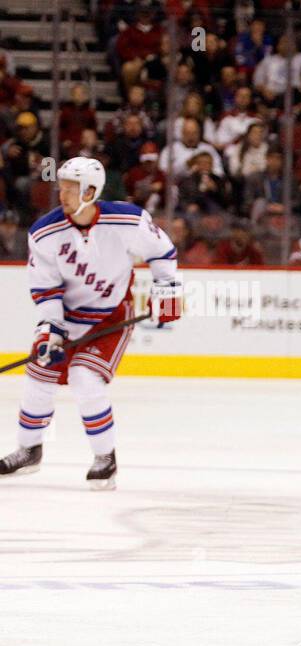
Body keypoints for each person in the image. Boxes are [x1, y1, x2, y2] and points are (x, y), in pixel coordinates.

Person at [0, 158, 182, 489]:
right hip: (66, 318)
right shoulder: (44, 234)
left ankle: (105, 458)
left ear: (91, 191)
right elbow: (46, 290)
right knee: (39, 373)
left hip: (110, 315)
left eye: (71, 187)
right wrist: (49, 333)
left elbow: (163, 251)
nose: (63, 193)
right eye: (62, 186)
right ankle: (29, 449)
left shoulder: (128, 221)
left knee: (85, 377)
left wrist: (166, 290)